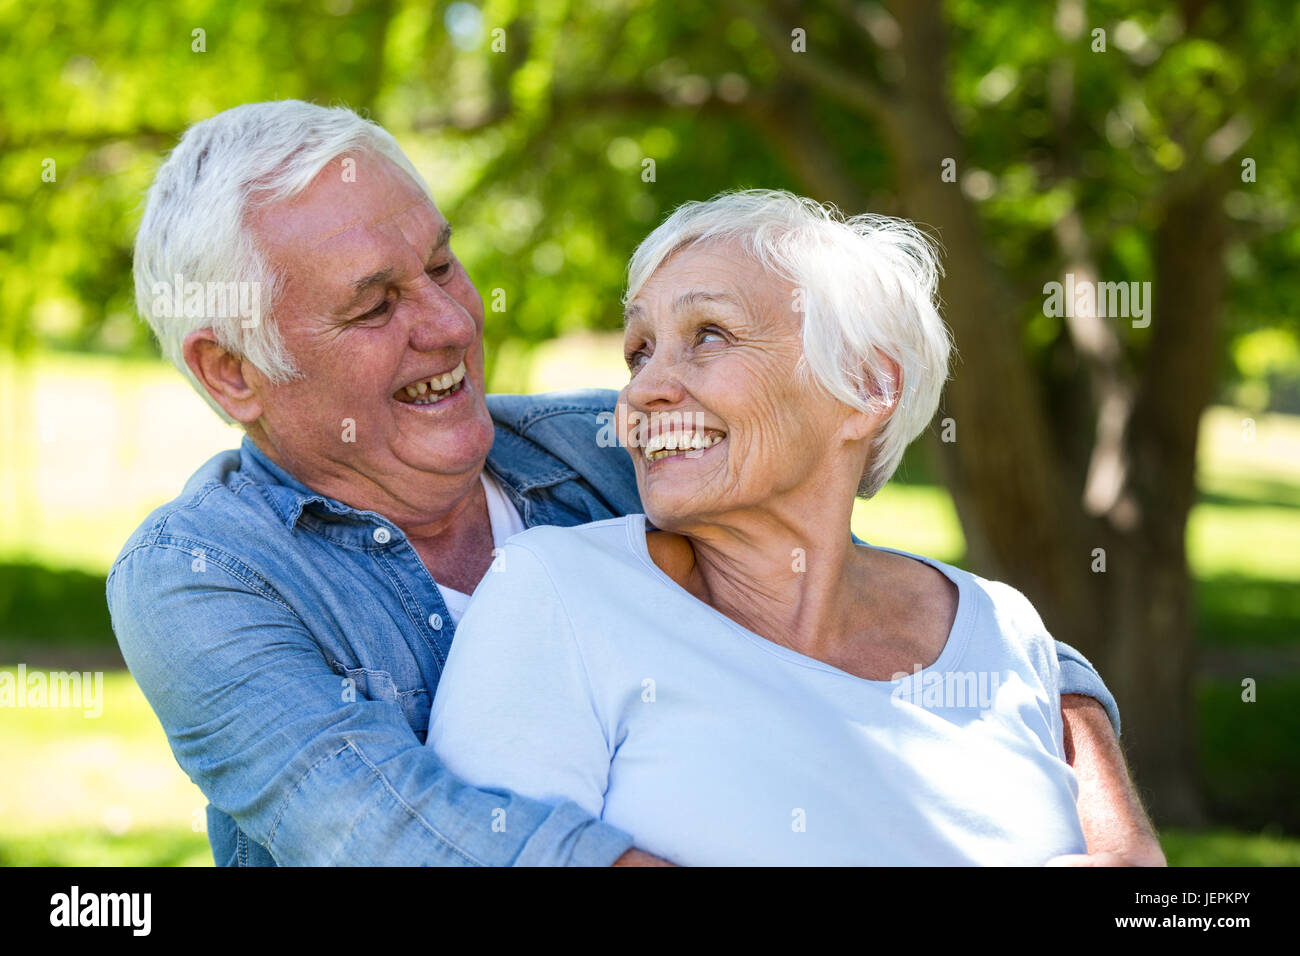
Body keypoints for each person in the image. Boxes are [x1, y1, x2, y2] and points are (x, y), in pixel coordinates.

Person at [108, 100, 1157, 866]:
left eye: (440, 265)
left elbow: (927, 613)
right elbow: (396, 839)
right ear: (230, 370)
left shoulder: (615, 447)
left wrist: (1111, 830)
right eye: (373, 305)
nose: (450, 322)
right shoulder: (201, 577)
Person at [427, 190, 1160, 865]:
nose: (645, 388)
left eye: (709, 334)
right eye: (639, 351)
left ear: (868, 387)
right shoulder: (555, 591)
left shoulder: (1005, 631)